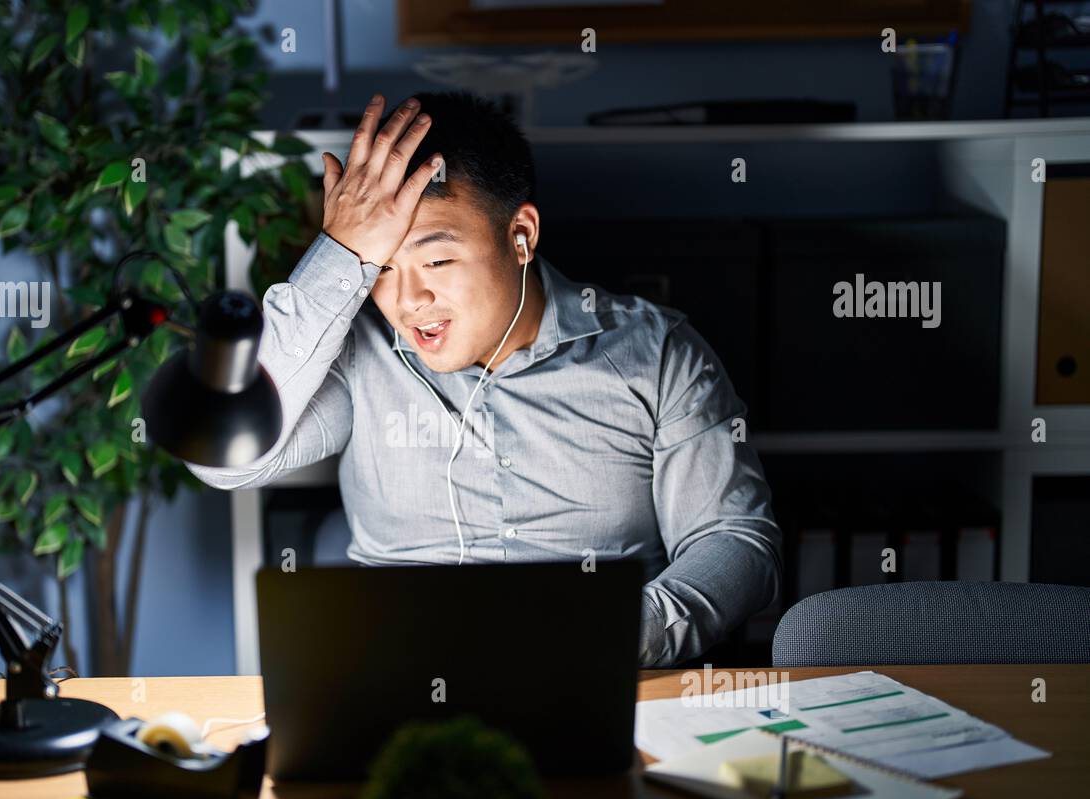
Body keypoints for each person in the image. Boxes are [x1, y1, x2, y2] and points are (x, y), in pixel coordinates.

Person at [188, 90, 782, 666]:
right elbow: (222, 458)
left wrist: (615, 634)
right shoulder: (357, 352)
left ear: (520, 235)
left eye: (437, 260)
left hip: (598, 676)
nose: (408, 299)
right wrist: (341, 252)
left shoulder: (657, 355)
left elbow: (735, 540)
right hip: (403, 683)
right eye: (381, 269)